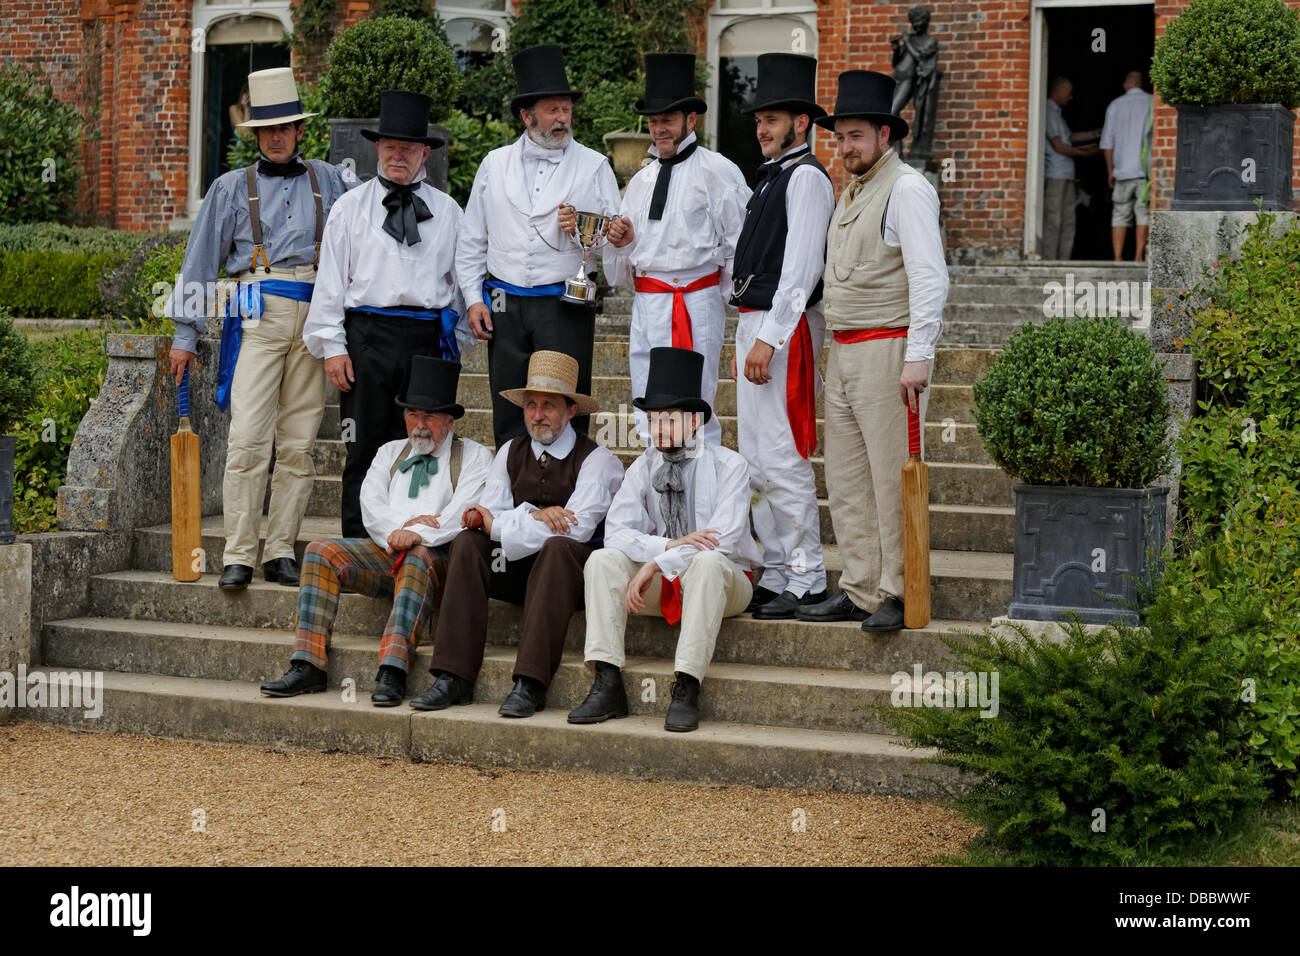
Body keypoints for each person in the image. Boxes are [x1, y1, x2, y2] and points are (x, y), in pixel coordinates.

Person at [167, 67, 356, 593]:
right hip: (259, 315)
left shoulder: (334, 181)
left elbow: (377, 220)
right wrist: (185, 335)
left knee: (298, 444)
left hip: (317, 319)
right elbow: (199, 261)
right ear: (254, 134)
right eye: (266, 129)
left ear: (300, 132)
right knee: (248, 438)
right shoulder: (229, 189)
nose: (276, 137)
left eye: (286, 127)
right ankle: (239, 553)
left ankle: (280, 551)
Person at [795, 71, 949, 632]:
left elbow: (930, 276)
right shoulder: (853, 191)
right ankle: (859, 587)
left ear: (885, 134)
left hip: (888, 350)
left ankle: (900, 589)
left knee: (890, 478)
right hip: (844, 352)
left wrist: (919, 354)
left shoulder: (907, 188)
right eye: (840, 138)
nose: (845, 148)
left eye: (855, 136)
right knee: (847, 480)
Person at [259, 356, 493, 706]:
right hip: (388, 551)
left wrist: (419, 536)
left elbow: (463, 513)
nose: (419, 425)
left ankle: (393, 671)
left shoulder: (473, 456)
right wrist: (402, 529)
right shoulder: (389, 453)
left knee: (417, 557)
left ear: (448, 419)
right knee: (319, 552)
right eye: (412, 415)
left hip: (439, 563)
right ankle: (308, 664)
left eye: (429, 416)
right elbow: (370, 505)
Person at [410, 351, 624, 717]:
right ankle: (453, 676)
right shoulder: (510, 451)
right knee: (467, 541)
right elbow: (486, 520)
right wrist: (533, 517)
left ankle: (531, 682)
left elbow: (578, 527)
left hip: (568, 580)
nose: (537, 415)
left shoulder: (597, 459)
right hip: (514, 571)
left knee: (558, 546)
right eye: (531, 405)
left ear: (571, 410)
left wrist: (506, 521)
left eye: (548, 406)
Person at [303, 90, 472, 539]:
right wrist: (333, 347)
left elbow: (463, 284)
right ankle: (358, 546)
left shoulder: (450, 212)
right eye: (391, 146)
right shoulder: (349, 209)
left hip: (427, 341)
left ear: (424, 153)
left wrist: (458, 344)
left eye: (409, 148)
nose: (399, 155)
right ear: (377, 149)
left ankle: (420, 540)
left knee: (424, 448)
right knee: (363, 447)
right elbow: (331, 283)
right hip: (368, 341)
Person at [569, 347, 761, 733]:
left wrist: (655, 562)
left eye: (668, 420)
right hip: (665, 584)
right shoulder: (644, 466)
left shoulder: (730, 466)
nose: (658, 430)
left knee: (706, 562)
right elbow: (617, 533)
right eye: (653, 419)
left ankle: (687, 685)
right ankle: (606, 680)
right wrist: (666, 548)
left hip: (726, 584)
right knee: (601, 560)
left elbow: (719, 543)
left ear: (693, 421)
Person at [456, 45, 624, 447]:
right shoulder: (493, 164)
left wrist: (586, 229)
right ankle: (510, 496)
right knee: (509, 404)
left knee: (565, 401)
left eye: (565, 109)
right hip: (503, 305)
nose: (562, 118)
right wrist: (472, 298)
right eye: (552, 110)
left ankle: (568, 497)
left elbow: (613, 240)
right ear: (526, 116)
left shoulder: (595, 165)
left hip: (565, 304)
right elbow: (471, 240)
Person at [728, 53, 833, 620]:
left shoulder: (808, 179)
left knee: (786, 454)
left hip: (785, 330)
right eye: (759, 119)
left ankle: (808, 573)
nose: (763, 128)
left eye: (773, 119)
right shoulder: (767, 180)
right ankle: (774, 566)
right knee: (755, 458)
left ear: (800, 122)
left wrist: (770, 337)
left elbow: (800, 270)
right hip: (757, 323)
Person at [606, 52, 750, 447]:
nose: (659, 129)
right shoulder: (639, 181)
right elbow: (621, 272)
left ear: (691, 120)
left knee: (696, 402)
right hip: (649, 303)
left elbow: (741, 245)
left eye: (667, 120)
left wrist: (727, 302)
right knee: (647, 402)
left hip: (696, 299)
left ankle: (704, 497)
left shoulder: (718, 171)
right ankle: (656, 494)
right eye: (653, 121)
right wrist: (621, 244)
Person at [1042, 77, 1101, 260]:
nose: (1071, 97)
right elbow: (1059, 146)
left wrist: (1095, 134)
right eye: (1069, 93)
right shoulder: (1048, 111)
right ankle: (1050, 259)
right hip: (1055, 173)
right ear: (1059, 90)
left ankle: (1063, 259)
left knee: (1068, 220)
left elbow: (1070, 138)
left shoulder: (1057, 113)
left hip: (1067, 173)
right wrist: (1085, 154)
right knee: (1054, 219)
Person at [1100, 71, 1154, 262]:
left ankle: (1117, 257)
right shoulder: (1152, 102)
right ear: (1142, 84)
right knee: (1143, 214)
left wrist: (1110, 170)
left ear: (1125, 85)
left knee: (1119, 215)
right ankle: (1139, 256)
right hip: (1144, 171)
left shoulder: (1115, 105)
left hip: (1121, 170)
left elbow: (1107, 143)